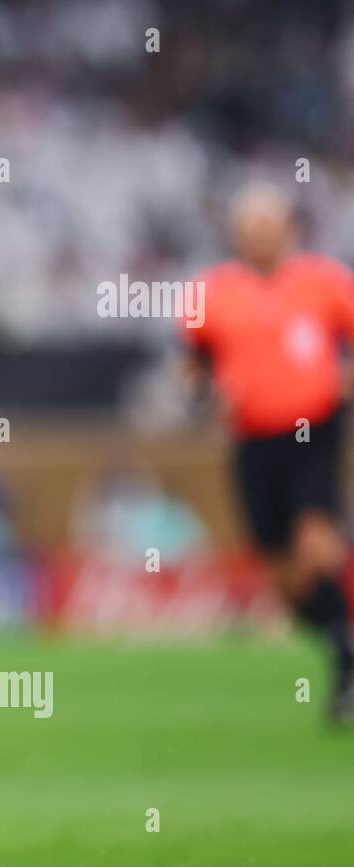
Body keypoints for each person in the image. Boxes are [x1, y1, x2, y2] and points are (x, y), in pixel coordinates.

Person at [185, 183, 354, 722]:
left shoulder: (324, 282)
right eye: (250, 228)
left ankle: (347, 655)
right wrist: (206, 394)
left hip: (314, 433)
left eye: (269, 226)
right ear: (237, 235)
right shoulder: (213, 292)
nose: (260, 236)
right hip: (254, 442)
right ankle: (343, 650)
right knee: (282, 574)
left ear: (288, 230)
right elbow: (194, 365)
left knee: (315, 549)